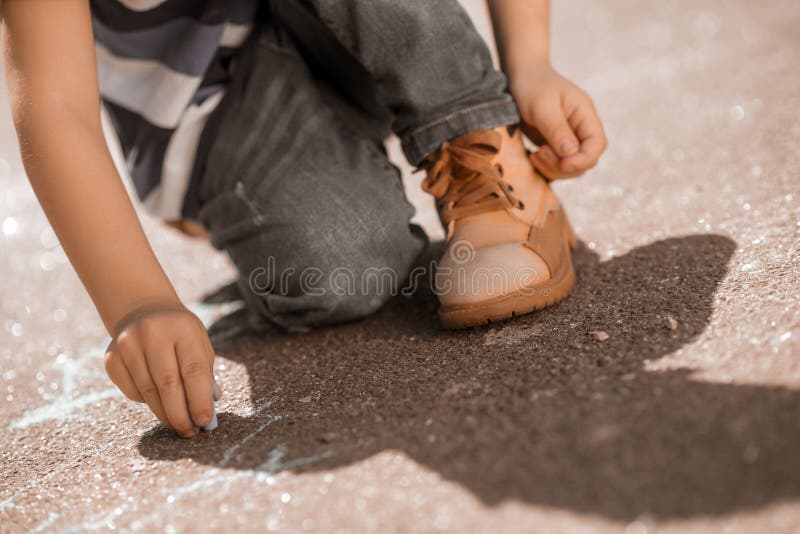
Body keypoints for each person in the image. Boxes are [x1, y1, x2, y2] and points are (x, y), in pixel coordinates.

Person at [1, 0, 606, 437]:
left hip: (357, 27)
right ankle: (282, 191)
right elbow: (56, 109)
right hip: (215, 106)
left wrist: (529, 63)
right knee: (339, 270)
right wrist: (137, 301)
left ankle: (482, 153)